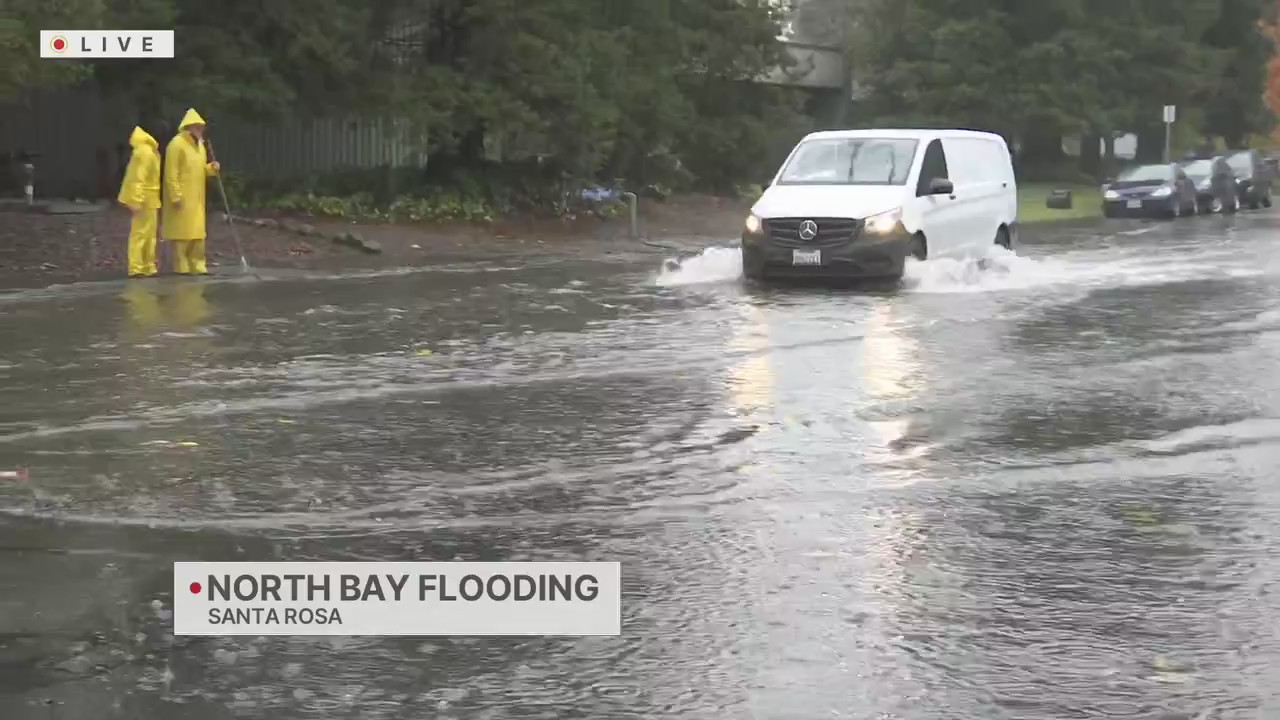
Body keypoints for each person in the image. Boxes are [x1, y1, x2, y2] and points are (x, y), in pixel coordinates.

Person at [161, 108, 220, 275]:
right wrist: (175, 195)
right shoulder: (176, 145)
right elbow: (170, 174)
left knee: (197, 235)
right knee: (182, 236)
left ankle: (198, 266)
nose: (201, 130)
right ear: (189, 127)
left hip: (197, 198)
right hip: (183, 198)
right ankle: (182, 268)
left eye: (202, 127)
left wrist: (212, 168)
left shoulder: (200, 146)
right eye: (198, 127)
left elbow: (200, 170)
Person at [117, 125, 162, 278]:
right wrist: (136, 200)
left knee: (148, 233)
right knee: (141, 233)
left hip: (149, 197)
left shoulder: (147, 151)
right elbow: (138, 177)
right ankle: (137, 267)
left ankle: (147, 265)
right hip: (145, 197)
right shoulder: (145, 152)